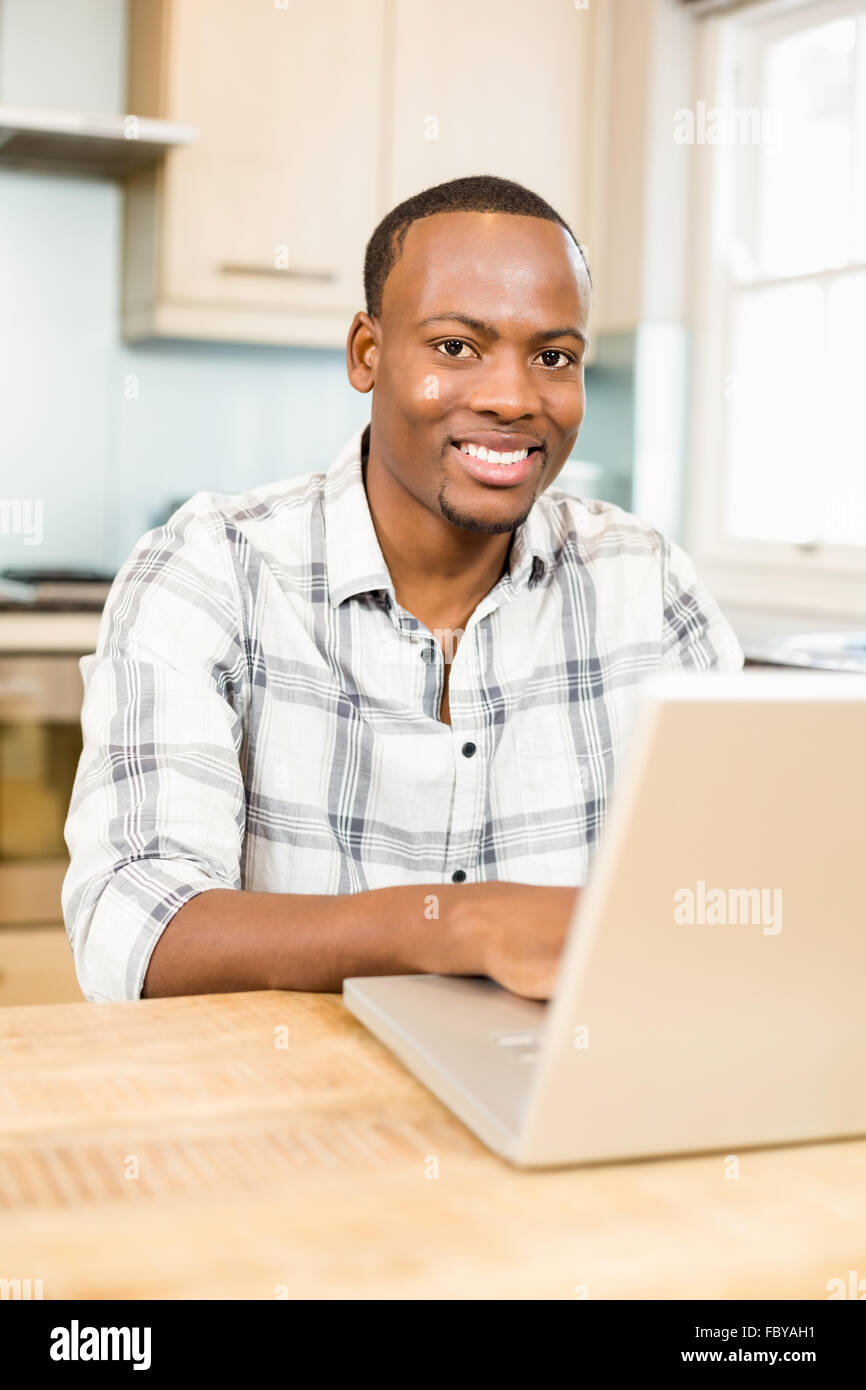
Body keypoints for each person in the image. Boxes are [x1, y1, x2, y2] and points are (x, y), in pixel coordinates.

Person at [63, 175, 743, 1004]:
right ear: (367, 353)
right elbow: (130, 930)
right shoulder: (212, 567)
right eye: (456, 346)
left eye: (554, 357)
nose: (512, 399)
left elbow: (739, 901)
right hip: (286, 1097)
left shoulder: (650, 584)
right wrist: (454, 925)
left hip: (576, 1089)